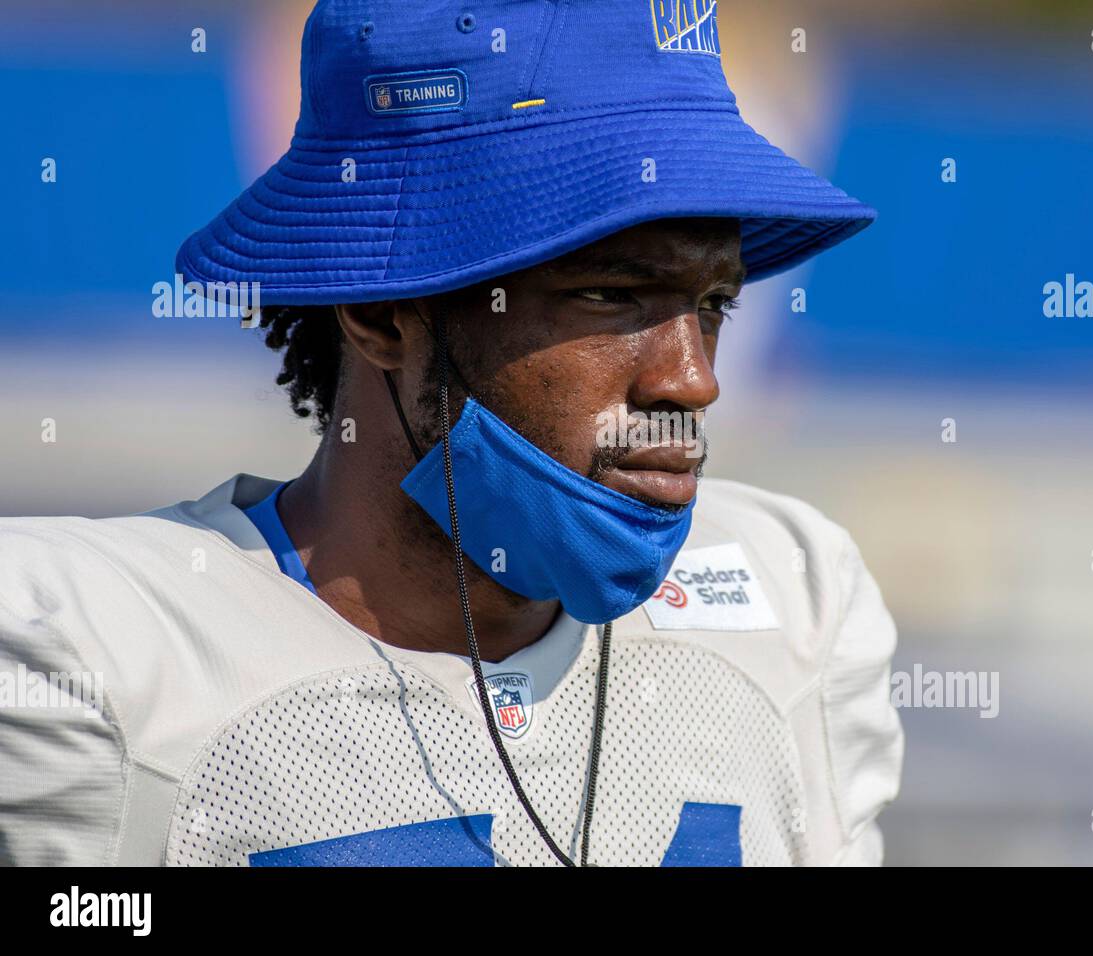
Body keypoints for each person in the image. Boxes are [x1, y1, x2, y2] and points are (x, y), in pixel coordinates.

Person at [0, 0, 902, 866]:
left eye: (714, 305)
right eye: (609, 294)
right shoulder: (95, 664)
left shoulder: (795, 610)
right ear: (382, 311)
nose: (691, 378)